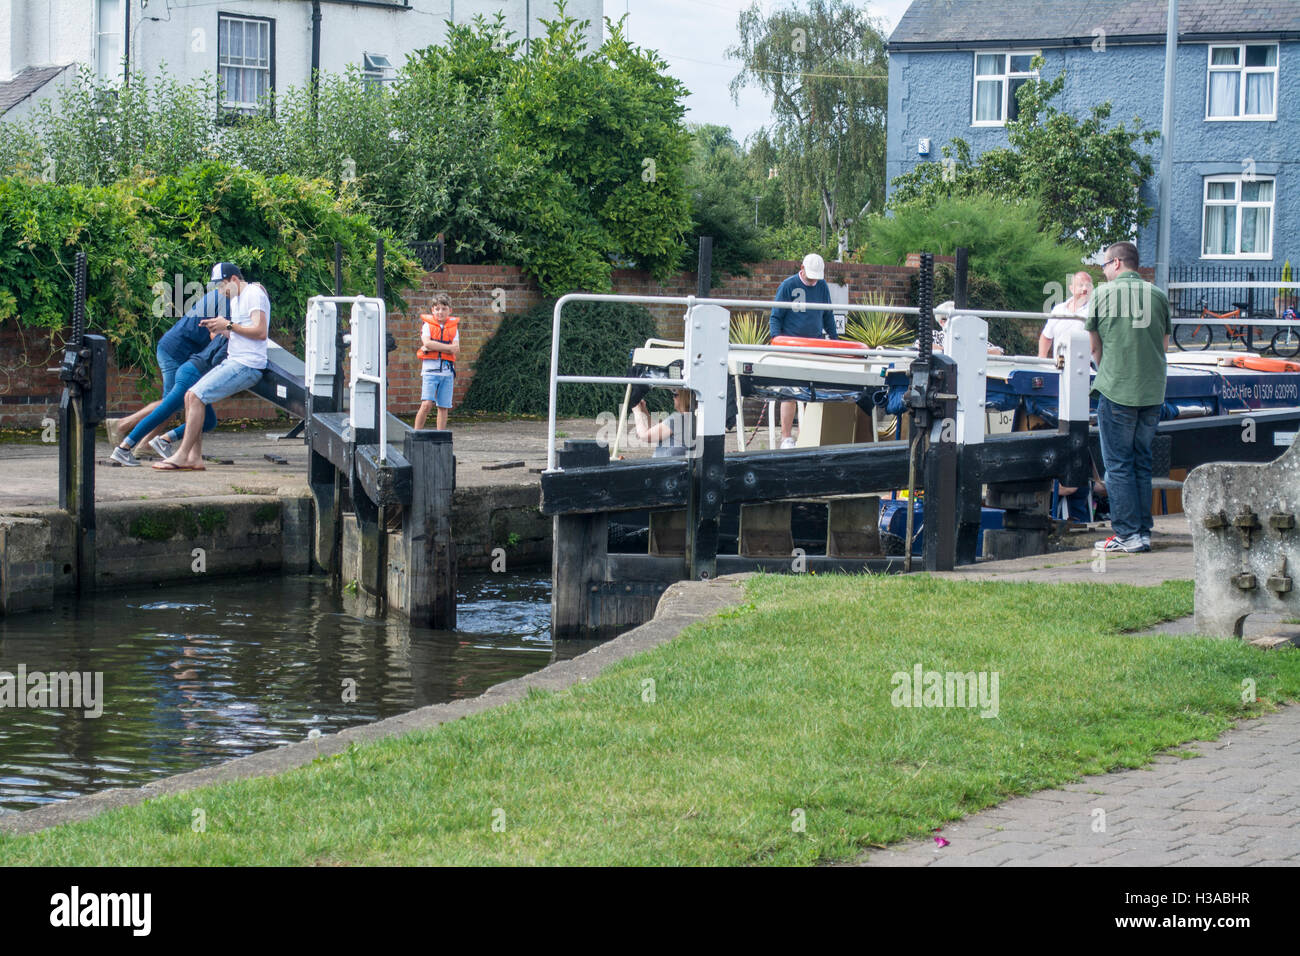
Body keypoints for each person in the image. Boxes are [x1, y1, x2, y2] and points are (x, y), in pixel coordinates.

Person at [1086, 241, 1170, 553]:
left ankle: (1126, 535)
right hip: (1152, 392)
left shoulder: (1102, 294)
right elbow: (1162, 347)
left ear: (1117, 263)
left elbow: (1095, 348)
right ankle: (1143, 533)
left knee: (1118, 464)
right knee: (1141, 463)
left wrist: (1107, 371)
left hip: (1117, 388)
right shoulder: (1158, 296)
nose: (1104, 271)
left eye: (1105, 265)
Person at [153, 263, 268, 471]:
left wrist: (229, 325)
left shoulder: (254, 294)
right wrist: (219, 328)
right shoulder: (235, 299)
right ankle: (195, 458)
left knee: (196, 396)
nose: (220, 291)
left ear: (233, 280)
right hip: (235, 359)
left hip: (248, 364)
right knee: (191, 395)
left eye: (221, 285)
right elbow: (238, 333)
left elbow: (260, 332)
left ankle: (181, 455)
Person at [105, 284, 227, 450]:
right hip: (177, 351)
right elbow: (215, 334)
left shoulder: (222, 295)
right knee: (171, 403)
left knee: (177, 404)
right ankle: (123, 426)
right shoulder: (227, 300)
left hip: (178, 349)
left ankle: (145, 445)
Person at [110, 333, 227, 466]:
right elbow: (216, 358)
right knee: (165, 409)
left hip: (193, 373)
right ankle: (124, 448)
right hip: (192, 375)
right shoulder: (233, 337)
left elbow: (212, 336)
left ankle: (164, 440)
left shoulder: (232, 331)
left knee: (208, 421)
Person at [769, 253, 834, 449]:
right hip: (791, 345)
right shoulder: (788, 285)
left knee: (812, 392)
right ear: (802, 268)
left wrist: (835, 341)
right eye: (810, 275)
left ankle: (808, 434)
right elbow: (776, 316)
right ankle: (786, 437)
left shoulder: (822, 287)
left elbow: (828, 315)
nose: (813, 280)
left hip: (814, 345)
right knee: (789, 392)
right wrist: (776, 340)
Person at [413, 293, 460, 431]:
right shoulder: (427, 326)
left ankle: (441, 436)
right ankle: (416, 433)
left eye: (444, 309)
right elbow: (427, 342)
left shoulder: (453, 328)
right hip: (430, 372)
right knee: (427, 404)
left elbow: (456, 348)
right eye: (437, 309)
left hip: (447, 373)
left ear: (449, 310)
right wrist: (447, 348)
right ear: (432, 310)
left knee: (443, 406)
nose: (440, 312)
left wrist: (434, 346)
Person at [1039, 271, 1094, 359]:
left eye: (1088, 285)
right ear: (1071, 289)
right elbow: (1046, 336)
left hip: (1085, 368)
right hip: (1059, 367)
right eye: (1081, 285)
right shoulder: (1058, 309)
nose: (1085, 289)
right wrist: (1041, 361)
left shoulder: (1095, 311)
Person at [631, 388, 694, 457]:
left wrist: (636, 410)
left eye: (675, 395)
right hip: (674, 465)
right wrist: (644, 410)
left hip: (663, 465)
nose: (673, 398)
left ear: (684, 398)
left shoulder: (678, 419)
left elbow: (645, 436)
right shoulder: (692, 419)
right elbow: (653, 431)